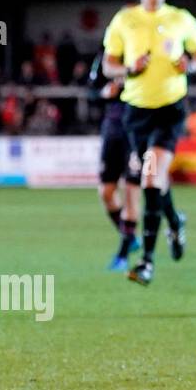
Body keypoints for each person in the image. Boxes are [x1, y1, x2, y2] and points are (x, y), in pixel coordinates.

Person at [102, 0, 196, 285]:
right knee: (155, 180)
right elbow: (108, 65)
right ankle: (175, 222)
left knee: (151, 178)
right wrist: (129, 68)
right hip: (136, 113)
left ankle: (147, 262)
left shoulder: (181, 19)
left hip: (169, 110)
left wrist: (190, 64)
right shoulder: (124, 20)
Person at [88, 49, 140, 271]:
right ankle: (130, 236)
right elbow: (91, 90)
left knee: (131, 191)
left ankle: (123, 255)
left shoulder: (143, 52)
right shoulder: (106, 56)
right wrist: (105, 92)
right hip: (112, 131)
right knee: (106, 193)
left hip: (137, 131)